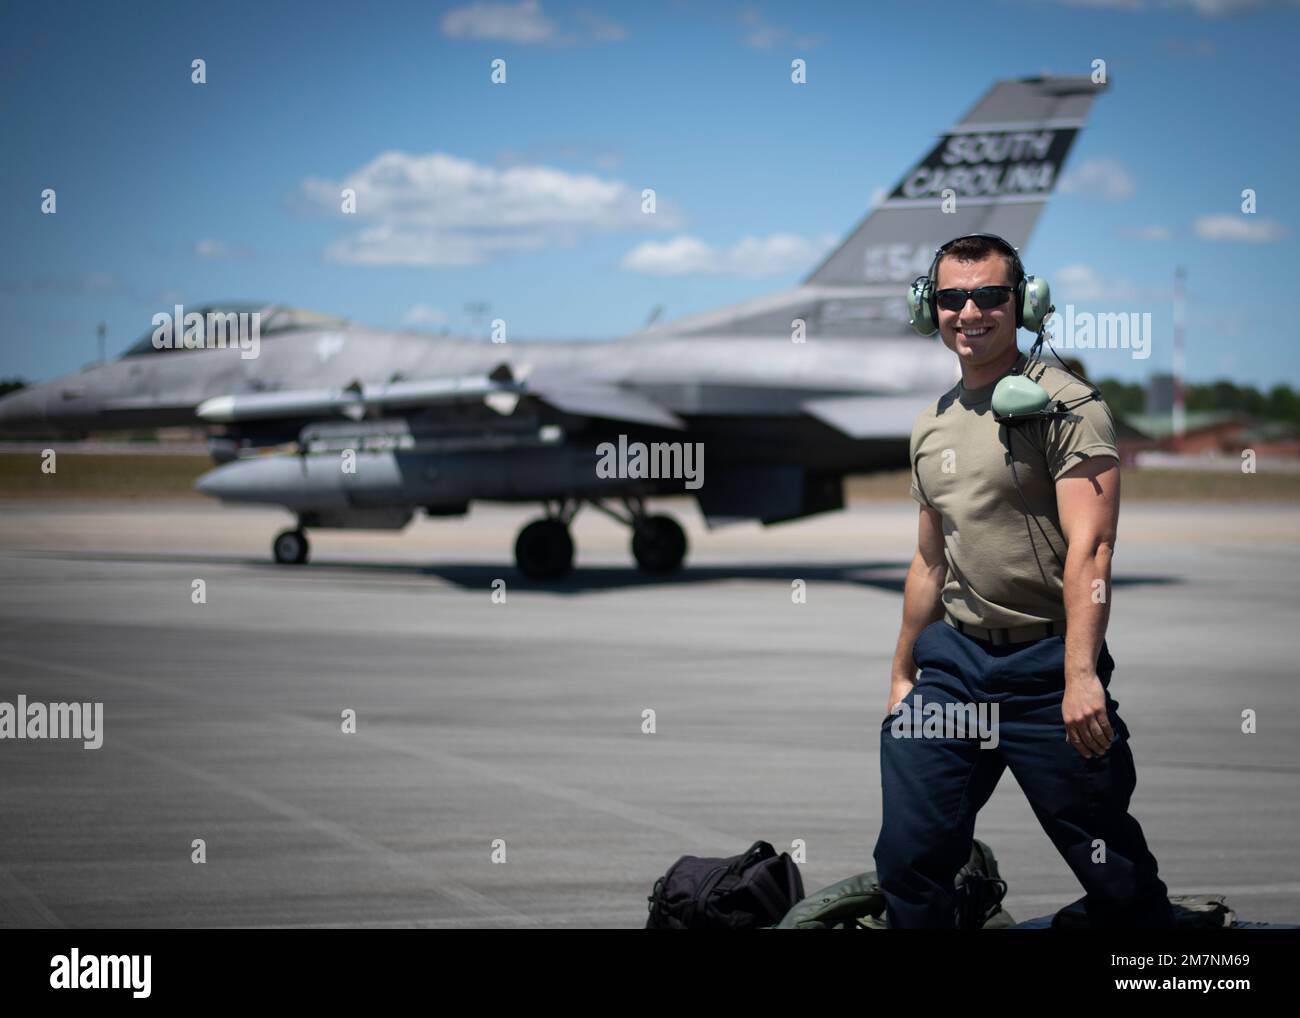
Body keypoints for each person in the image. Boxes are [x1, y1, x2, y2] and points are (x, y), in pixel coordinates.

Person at [873, 233, 1175, 929]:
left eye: (989, 295)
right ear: (931, 309)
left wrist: (1079, 675)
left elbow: (1092, 549)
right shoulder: (933, 423)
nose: (969, 310)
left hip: (1047, 670)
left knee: (1111, 870)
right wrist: (901, 675)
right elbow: (930, 560)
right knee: (910, 859)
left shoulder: (1065, 406)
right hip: (956, 668)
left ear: (1023, 302)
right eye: (952, 297)